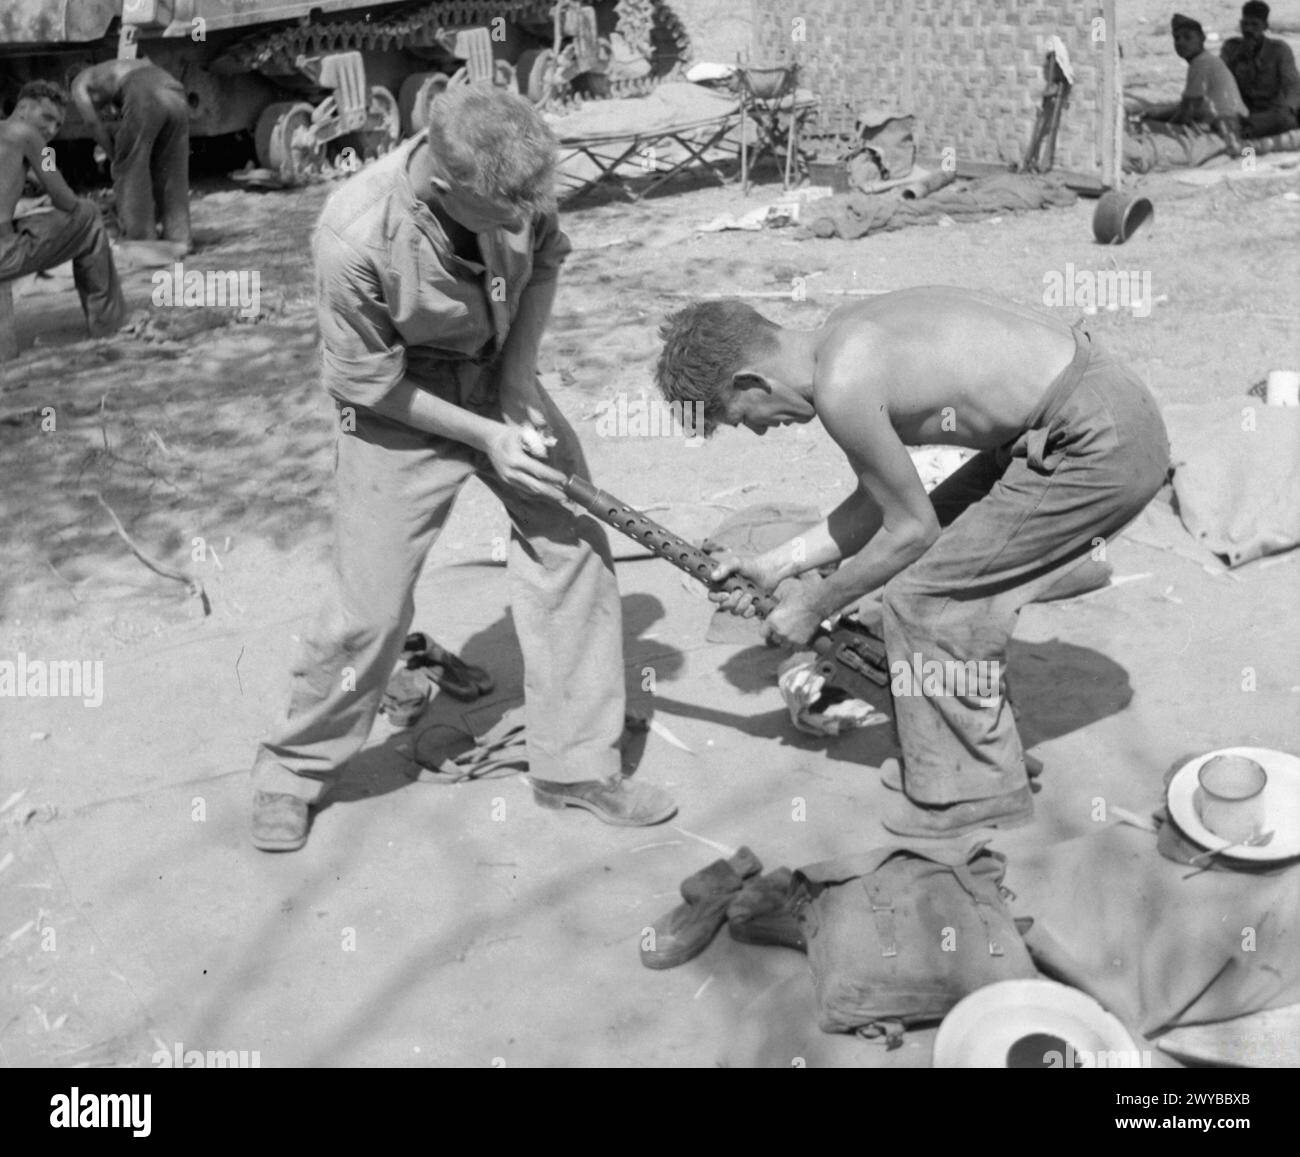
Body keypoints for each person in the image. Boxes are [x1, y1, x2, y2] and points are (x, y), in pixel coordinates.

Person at [250, 85, 674, 851]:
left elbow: (545, 260)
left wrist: (516, 383)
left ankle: (575, 764)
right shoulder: (354, 233)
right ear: (446, 185)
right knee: (369, 609)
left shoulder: (513, 180)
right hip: (397, 407)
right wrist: (485, 434)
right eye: (505, 211)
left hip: (495, 374)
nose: (524, 216)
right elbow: (366, 384)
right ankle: (291, 770)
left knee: (572, 544)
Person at [656, 289, 1169, 837]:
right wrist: (773, 567)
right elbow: (878, 507)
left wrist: (812, 606)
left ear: (752, 382)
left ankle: (981, 792)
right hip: (1090, 414)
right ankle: (981, 754)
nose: (759, 430)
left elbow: (911, 530)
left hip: (1097, 442)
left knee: (924, 602)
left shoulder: (842, 384)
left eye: (743, 418)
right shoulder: (841, 338)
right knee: (932, 585)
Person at [0, 80, 128, 338]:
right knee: (89, 214)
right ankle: (110, 324)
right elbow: (64, 199)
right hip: (4, 255)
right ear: (23, 108)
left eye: (58, 125)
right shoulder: (30, 136)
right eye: (47, 118)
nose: (51, 129)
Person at [70, 59, 192, 252]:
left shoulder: (79, 81)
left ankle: (142, 241)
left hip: (144, 92)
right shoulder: (111, 70)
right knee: (172, 168)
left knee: (130, 170)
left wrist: (115, 157)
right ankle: (179, 238)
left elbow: (92, 123)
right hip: (173, 89)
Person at [1124, 13, 1246, 172]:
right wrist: (1156, 112)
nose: (1181, 42)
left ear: (1202, 38)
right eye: (1177, 38)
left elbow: (1186, 113)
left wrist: (1162, 124)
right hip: (1227, 125)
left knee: (1145, 130)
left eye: (1187, 37)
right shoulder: (1206, 60)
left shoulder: (1201, 63)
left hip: (1223, 129)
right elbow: (1187, 105)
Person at [1220, 0, 1300, 141]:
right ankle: (1245, 128)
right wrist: (1238, 57)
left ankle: (1246, 129)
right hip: (1242, 109)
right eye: (1245, 24)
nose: (1248, 30)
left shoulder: (1279, 50)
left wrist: (1289, 108)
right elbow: (1220, 80)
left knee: (1284, 118)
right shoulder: (1231, 48)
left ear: (1265, 26)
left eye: (1254, 25)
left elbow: (1292, 86)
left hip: (1271, 111)